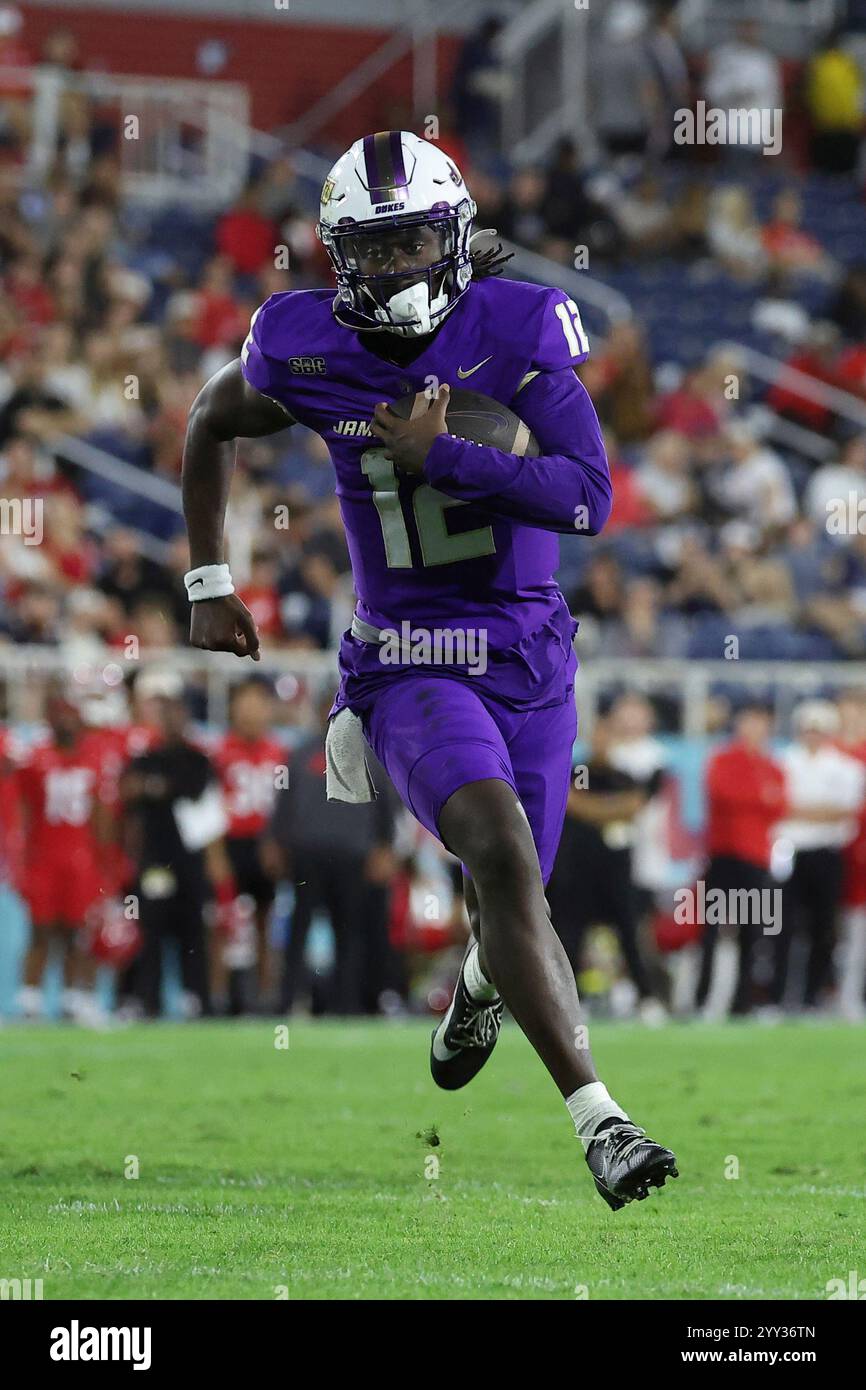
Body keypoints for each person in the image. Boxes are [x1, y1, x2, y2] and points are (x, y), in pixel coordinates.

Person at [181, 130, 677, 1211]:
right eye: (372, 247)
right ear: (333, 252)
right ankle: (601, 1119)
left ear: (451, 238)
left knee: (515, 901)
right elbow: (210, 417)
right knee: (496, 848)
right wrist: (207, 576)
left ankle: (477, 985)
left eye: (413, 241)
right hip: (408, 656)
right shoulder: (301, 343)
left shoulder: (516, 324)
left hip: (529, 654)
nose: (395, 266)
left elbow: (589, 497)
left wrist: (443, 455)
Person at [261, 694, 397, 1015]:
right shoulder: (301, 752)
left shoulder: (370, 755)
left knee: (349, 932)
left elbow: (387, 810)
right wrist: (273, 841)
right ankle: (288, 1001)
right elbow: (282, 802)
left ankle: (346, 1003)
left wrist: (384, 848)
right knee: (298, 930)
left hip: (353, 855)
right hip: (306, 853)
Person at [697, 699, 787, 1017]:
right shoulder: (722, 759)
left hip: (756, 858)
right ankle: (701, 999)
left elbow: (779, 806)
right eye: (749, 721)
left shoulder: (773, 766)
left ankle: (742, 1002)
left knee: (751, 930)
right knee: (711, 928)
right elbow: (722, 794)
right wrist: (759, 798)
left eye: (760, 722)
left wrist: (756, 799)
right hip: (723, 854)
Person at [773, 701, 865, 1011]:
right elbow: (777, 807)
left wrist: (801, 810)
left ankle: (812, 996)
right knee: (781, 925)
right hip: (788, 850)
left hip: (827, 852)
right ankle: (779, 994)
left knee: (823, 927)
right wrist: (820, 811)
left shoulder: (846, 766)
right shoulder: (782, 762)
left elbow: (846, 811)